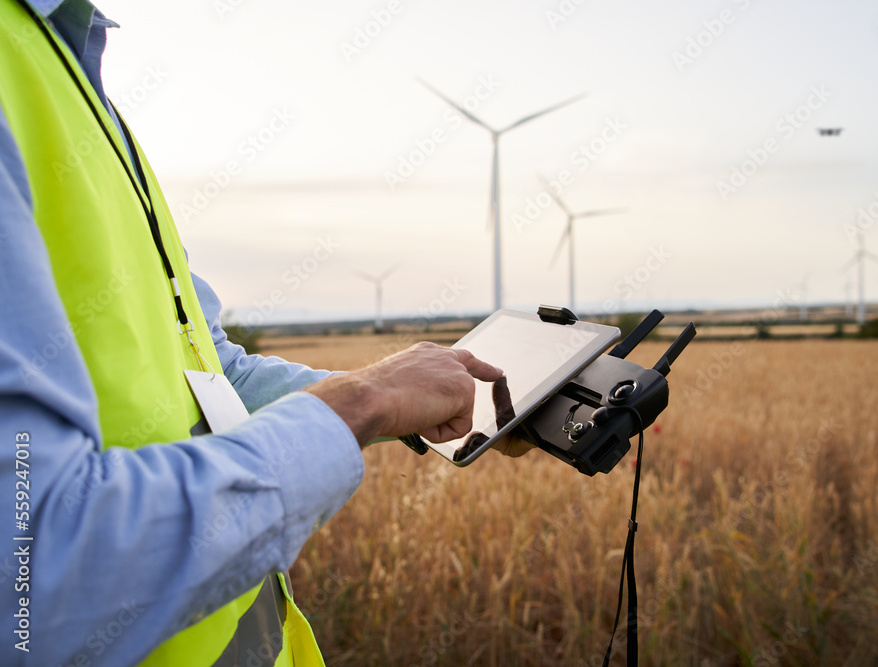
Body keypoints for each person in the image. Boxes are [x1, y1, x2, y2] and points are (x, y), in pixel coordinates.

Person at [0, 0, 528, 664]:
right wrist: (362, 403)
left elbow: (209, 372)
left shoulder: (74, 71)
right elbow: (30, 573)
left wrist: (407, 394)